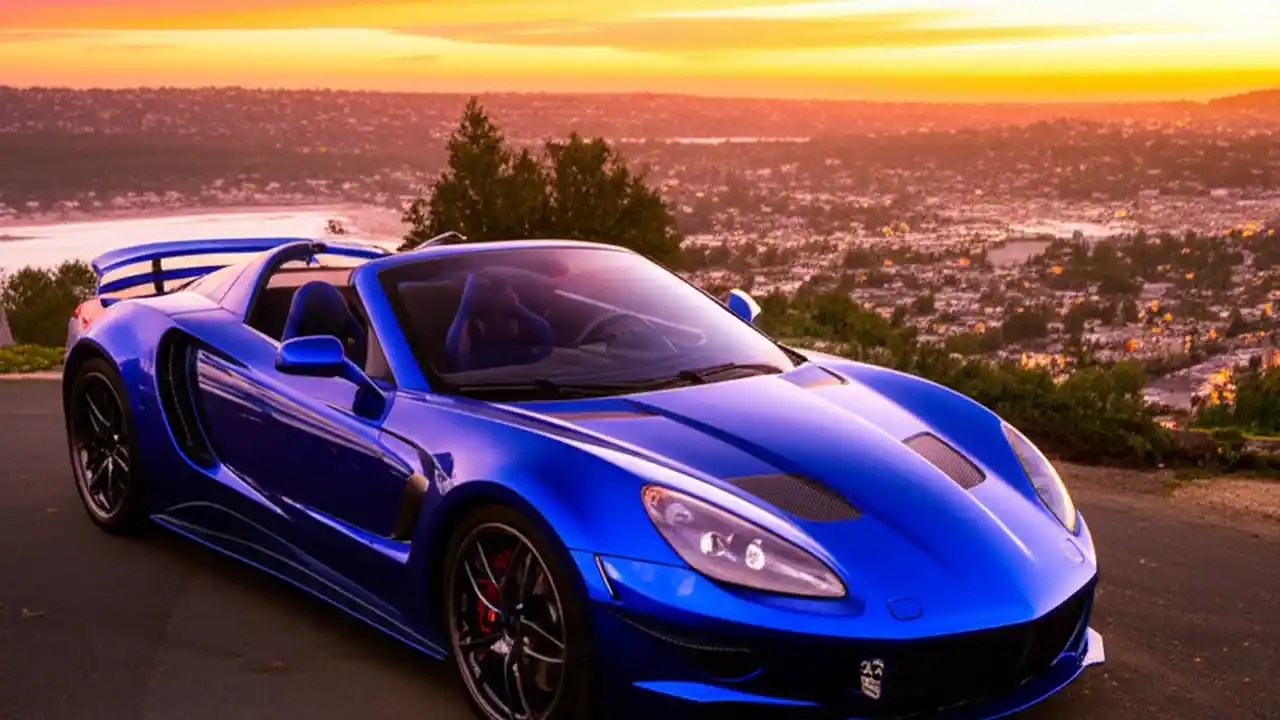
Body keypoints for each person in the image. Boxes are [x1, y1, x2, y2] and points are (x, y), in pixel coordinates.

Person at [445, 273, 553, 372]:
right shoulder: (474, 361)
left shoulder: (528, 354)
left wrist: (516, 308)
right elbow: (455, 353)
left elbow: (545, 335)